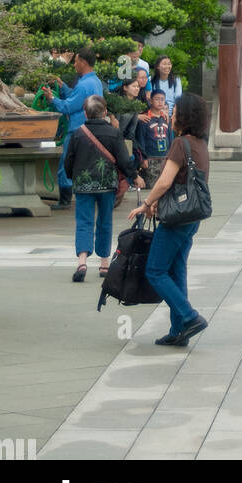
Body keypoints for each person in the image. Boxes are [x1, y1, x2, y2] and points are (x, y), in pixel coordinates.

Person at [129, 93, 212, 348]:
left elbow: (165, 181)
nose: (171, 114)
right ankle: (178, 330)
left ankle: (189, 316)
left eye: (176, 111)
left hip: (175, 219)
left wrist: (146, 204)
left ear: (185, 116)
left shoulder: (180, 143)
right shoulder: (200, 143)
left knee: (155, 270)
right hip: (191, 217)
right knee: (176, 271)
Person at [64, 96, 143, 281]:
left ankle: (82, 262)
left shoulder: (77, 133)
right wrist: (134, 177)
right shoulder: (114, 133)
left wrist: (73, 177)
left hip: (83, 186)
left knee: (84, 222)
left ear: (85, 113)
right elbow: (124, 160)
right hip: (107, 185)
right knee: (105, 222)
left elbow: (68, 161)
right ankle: (104, 263)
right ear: (105, 112)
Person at [41, 46, 106, 210]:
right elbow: (75, 98)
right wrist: (62, 87)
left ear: (83, 62)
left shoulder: (84, 84)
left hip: (77, 129)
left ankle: (64, 200)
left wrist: (51, 98)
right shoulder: (94, 81)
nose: (74, 65)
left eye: (76, 61)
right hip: (89, 129)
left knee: (66, 163)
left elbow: (68, 107)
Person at [134, 89, 172, 188]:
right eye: (157, 99)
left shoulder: (166, 119)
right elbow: (140, 140)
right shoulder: (145, 119)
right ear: (151, 101)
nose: (160, 102)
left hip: (164, 157)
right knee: (151, 187)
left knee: (164, 186)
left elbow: (170, 138)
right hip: (150, 158)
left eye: (162, 99)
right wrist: (143, 159)